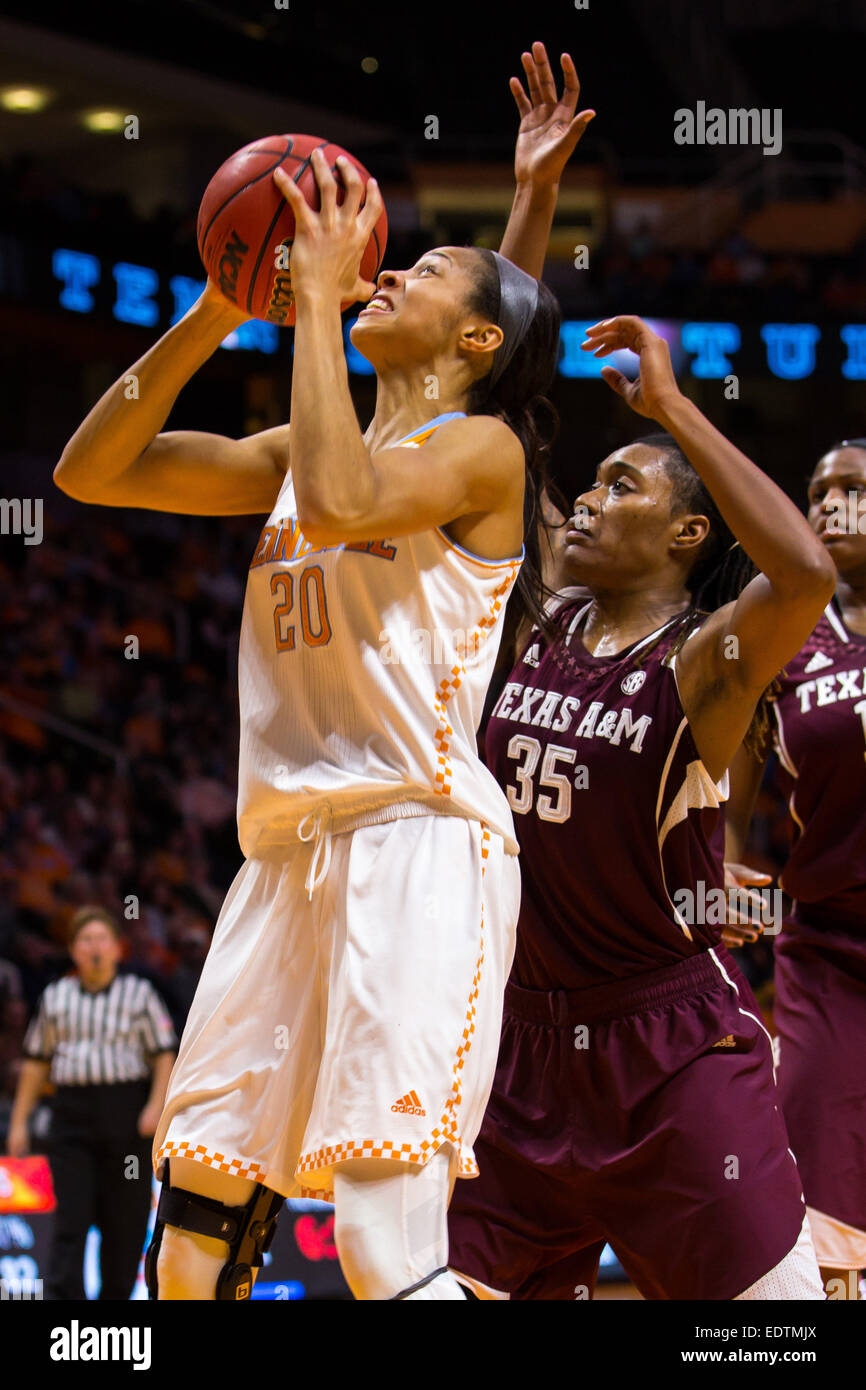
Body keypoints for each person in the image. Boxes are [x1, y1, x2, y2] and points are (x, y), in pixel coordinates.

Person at [52, 45, 594, 1302]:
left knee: (378, 1246)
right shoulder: (307, 438)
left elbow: (354, 496)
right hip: (283, 860)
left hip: (418, 845)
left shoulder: (480, 455)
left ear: (467, 339)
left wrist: (309, 303)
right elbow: (92, 469)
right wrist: (214, 308)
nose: (383, 266)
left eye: (420, 272)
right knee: (192, 1241)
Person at [447, 314, 835, 1300]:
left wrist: (670, 405)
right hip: (518, 1050)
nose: (585, 495)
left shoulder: (703, 660)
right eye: (590, 477)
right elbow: (486, 411)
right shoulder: (538, 605)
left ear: (686, 532)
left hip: (669, 1053)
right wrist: (532, 193)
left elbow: (802, 573)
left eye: (622, 484)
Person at [726, 437, 866, 1299]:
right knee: (826, 1226)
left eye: (855, 487)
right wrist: (722, 864)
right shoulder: (787, 627)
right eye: (819, 490)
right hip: (828, 948)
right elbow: (731, 763)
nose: (830, 502)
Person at [7, 906, 176, 1300]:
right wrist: (19, 1122)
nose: (94, 947)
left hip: (127, 1117)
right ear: (73, 950)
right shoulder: (56, 996)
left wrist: (156, 1107)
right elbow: (35, 1064)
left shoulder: (140, 993)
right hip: (71, 1119)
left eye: (102, 939)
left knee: (127, 1222)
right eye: (86, 940)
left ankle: (115, 1301)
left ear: (117, 949)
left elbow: (164, 1053)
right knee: (71, 1220)